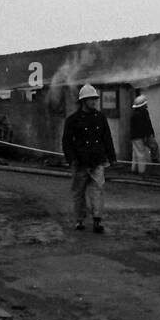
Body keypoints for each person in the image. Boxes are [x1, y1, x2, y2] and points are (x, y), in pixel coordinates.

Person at [61, 84, 117, 233]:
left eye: (95, 99)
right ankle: (80, 219)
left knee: (97, 191)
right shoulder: (73, 120)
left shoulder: (100, 118)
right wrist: (72, 159)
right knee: (79, 192)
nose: (94, 102)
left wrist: (112, 158)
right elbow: (66, 142)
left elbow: (107, 138)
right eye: (91, 99)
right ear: (83, 101)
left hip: (97, 161)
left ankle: (97, 220)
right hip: (80, 162)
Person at [129, 93, 157, 174]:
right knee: (141, 154)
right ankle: (142, 171)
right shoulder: (141, 114)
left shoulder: (135, 114)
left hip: (135, 137)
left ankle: (134, 169)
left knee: (135, 154)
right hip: (139, 137)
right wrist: (146, 135)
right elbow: (144, 126)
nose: (146, 105)